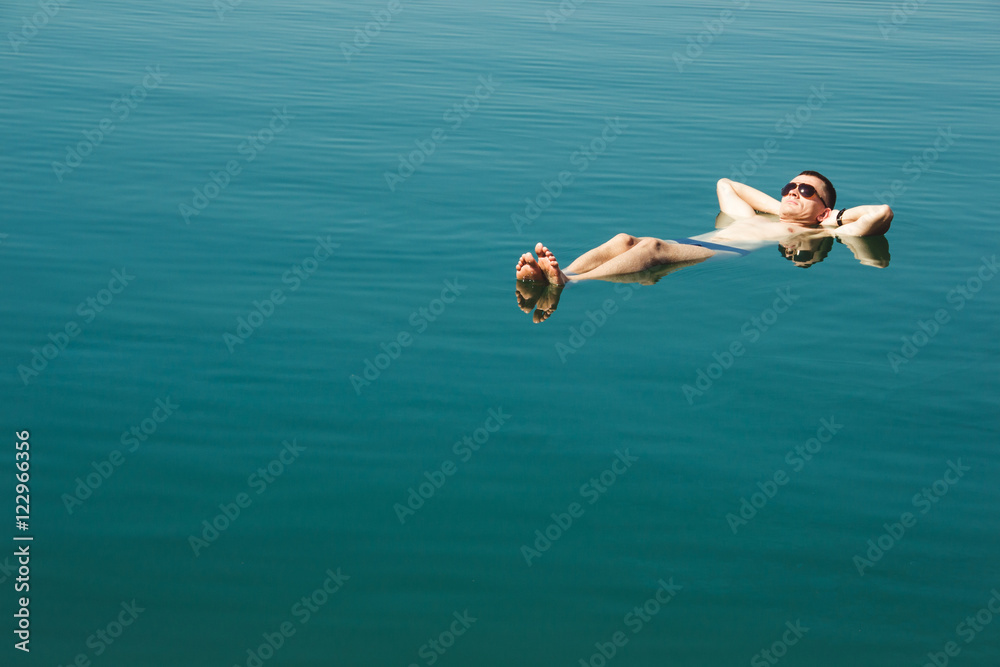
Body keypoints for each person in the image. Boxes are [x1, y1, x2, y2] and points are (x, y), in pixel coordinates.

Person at [515, 171, 893, 285]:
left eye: (806, 191)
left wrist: (832, 219)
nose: (794, 191)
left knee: (651, 247)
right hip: (689, 243)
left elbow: (880, 213)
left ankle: (569, 283)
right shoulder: (756, 218)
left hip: (720, 252)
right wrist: (784, 208)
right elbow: (726, 185)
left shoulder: (819, 233)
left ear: (823, 208)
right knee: (624, 239)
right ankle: (560, 273)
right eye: (789, 187)